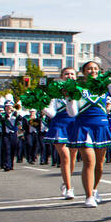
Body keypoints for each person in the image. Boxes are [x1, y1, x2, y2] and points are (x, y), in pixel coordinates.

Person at [67, 59, 111, 207]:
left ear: (99, 71)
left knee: (99, 164)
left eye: (95, 68)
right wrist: (69, 97)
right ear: (83, 71)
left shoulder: (105, 86)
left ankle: (94, 189)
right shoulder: (77, 87)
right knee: (89, 161)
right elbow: (73, 112)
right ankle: (88, 196)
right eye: (89, 69)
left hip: (101, 126)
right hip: (83, 125)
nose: (92, 71)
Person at [42, 69, 77, 198]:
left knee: (72, 158)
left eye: (72, 74)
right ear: (61, 77)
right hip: (60, 125)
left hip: (74, 125)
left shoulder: (79, 90)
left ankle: (65, 182)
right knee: (65, 157)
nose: (69, 76)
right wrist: (41, 106)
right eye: (66, 74)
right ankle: (69, 188)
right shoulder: (55, 93)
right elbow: (52, 113)